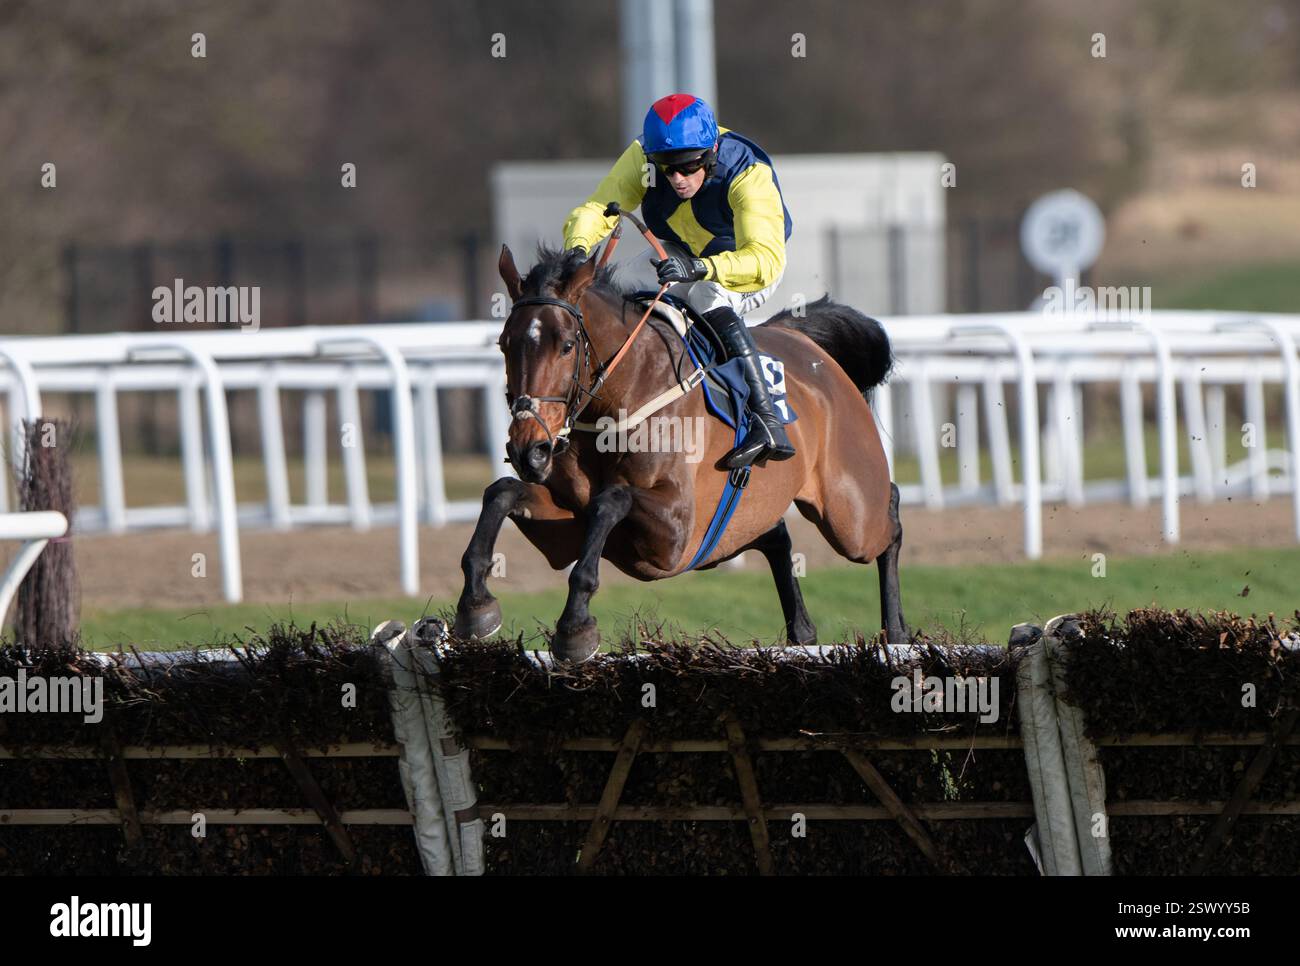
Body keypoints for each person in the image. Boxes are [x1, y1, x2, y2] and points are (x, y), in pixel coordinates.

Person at [561, 92, 794, 469]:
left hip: (745, 263)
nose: (677, 179)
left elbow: (764, 259)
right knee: (619, 285)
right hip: (681, 250)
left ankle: (765, 417)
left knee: (705, 294)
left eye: (687, 167)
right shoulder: (643, 156)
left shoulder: (748, 173)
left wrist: (702, 269)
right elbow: (597, 208)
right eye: (666, 168)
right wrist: (577, 248)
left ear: (711, 152)